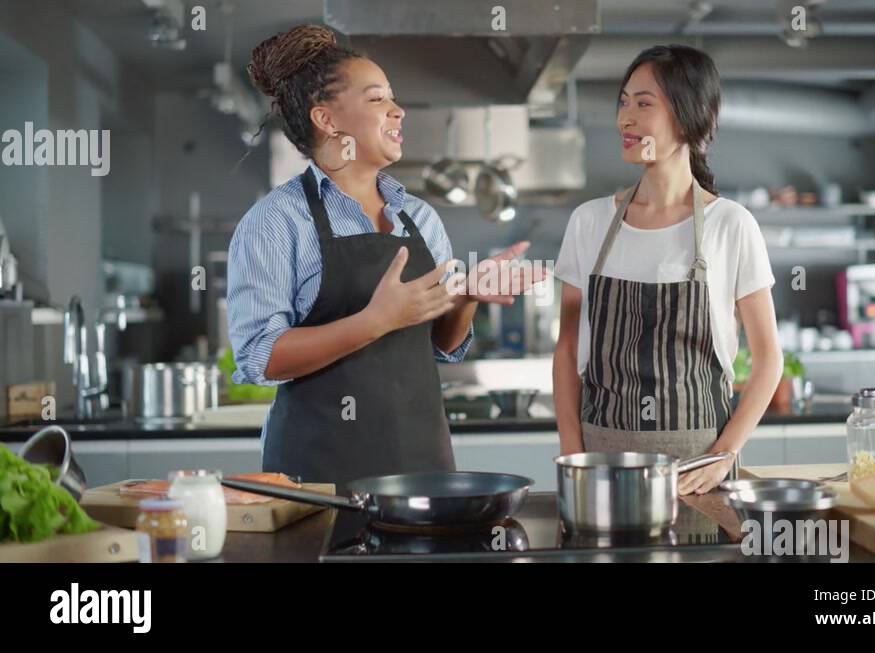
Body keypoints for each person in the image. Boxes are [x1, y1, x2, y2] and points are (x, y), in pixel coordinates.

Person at [227, 25, 539, 482]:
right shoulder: (276, 220)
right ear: (327, 120)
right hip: (318, 475)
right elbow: (261, 356)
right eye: (377, 99)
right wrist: (376, 320)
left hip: (422, 467)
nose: (398, 111)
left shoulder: (419, 216)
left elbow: (442, 346)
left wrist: (467, 296)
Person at [552, 45, 783, 495]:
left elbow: (769, 360)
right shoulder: (589, 222)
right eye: (623, 102)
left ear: (686, 116)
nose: (626, 118)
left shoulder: (730, 225)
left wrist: (725, 456)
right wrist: (572, 453)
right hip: (601, 467)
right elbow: (566, 351)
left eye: (643, 104)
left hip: (698, 470)